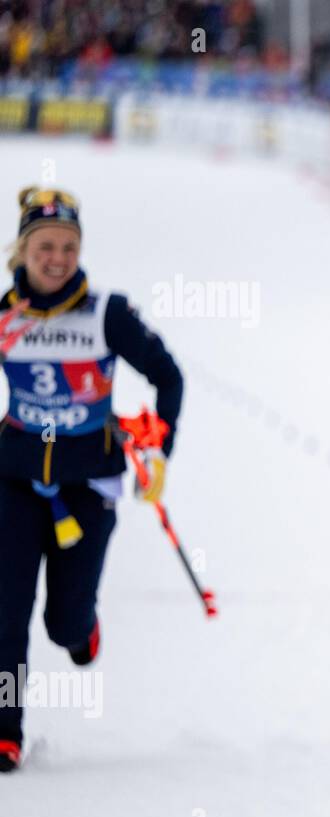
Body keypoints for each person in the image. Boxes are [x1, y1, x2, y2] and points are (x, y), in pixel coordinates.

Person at [0, 187, 183, 772]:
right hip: (14, 481)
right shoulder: (5, 315)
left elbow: (168, 376)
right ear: (22, 251)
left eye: (69, 247)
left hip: (88, 486)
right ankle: (5, 731)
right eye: (45, 247)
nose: (57, 258)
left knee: (63, 624)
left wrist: (159, 449)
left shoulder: (107, 314)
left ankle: (82, 629)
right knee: (5, 613)